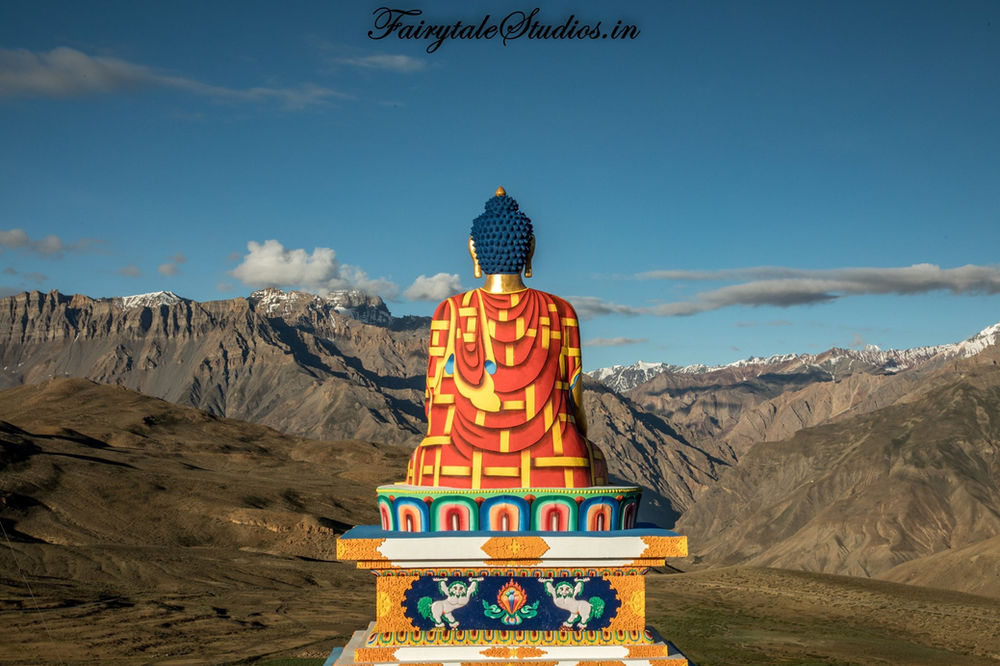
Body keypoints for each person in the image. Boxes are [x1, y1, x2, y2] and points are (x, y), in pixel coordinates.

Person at [406, 187, 607, 490]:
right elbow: (575, 402)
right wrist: (579, 440)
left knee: (424, 463)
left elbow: (433, 402)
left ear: (474, 249)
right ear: (531, 249)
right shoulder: (560, 311)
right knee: (592, 460)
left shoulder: (449, 312)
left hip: (454, 466)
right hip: (556, 464)